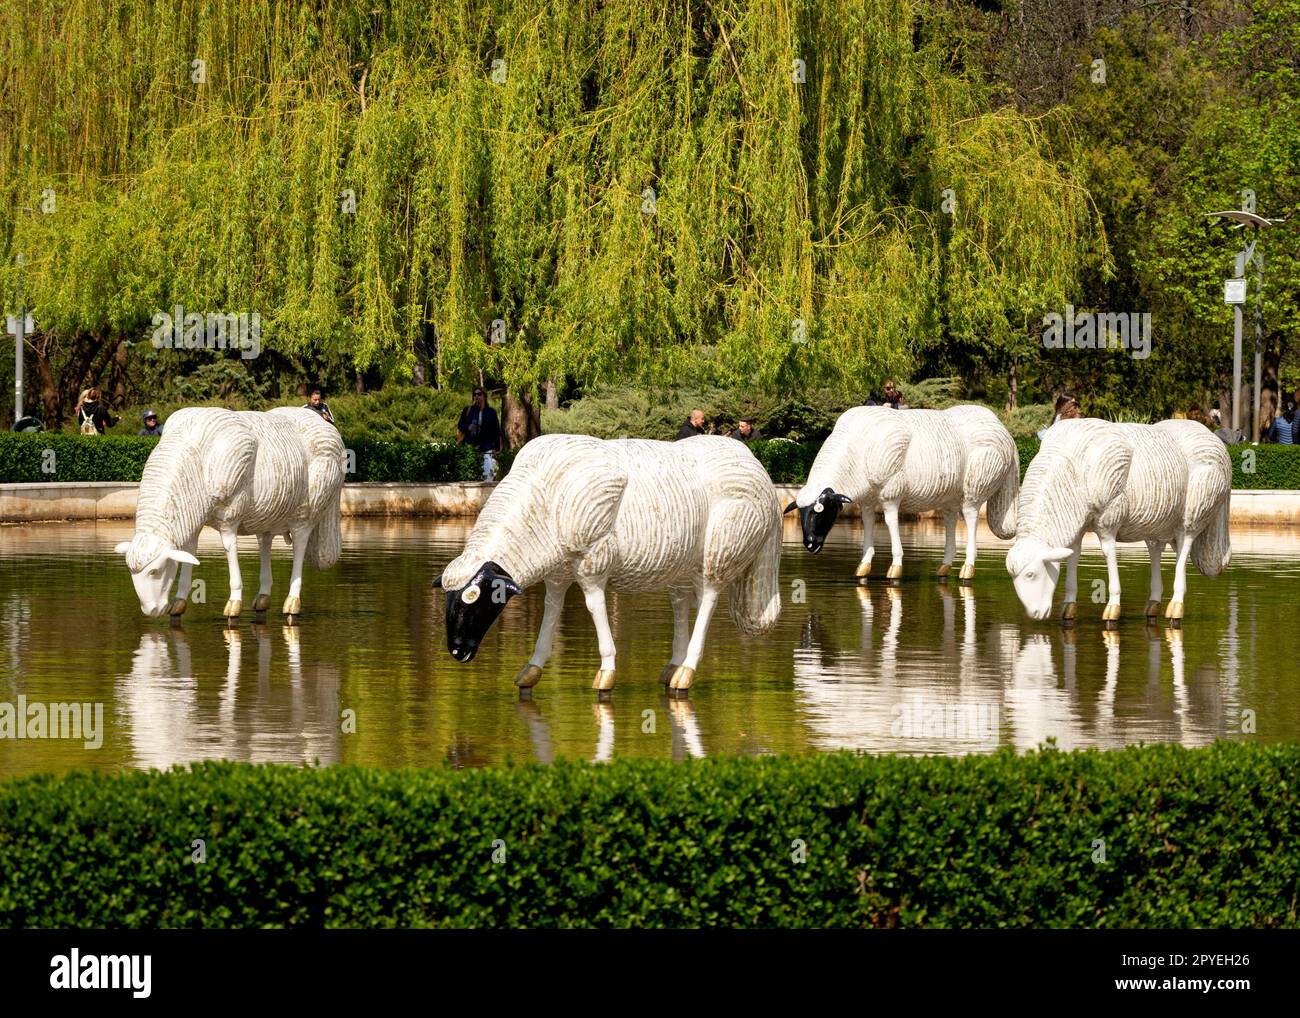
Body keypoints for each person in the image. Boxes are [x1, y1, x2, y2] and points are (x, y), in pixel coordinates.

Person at [456, 387, 502, 480]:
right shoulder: (468, 410)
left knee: (488, 476)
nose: (476, 396)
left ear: (484, 396)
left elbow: (496, 431)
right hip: (470, 448)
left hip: (487, 448)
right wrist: (468, 427)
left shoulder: (491, 412)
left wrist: (496, 448)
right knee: (469, 478)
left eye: (479, 394)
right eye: (475, 394)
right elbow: (460, 425)